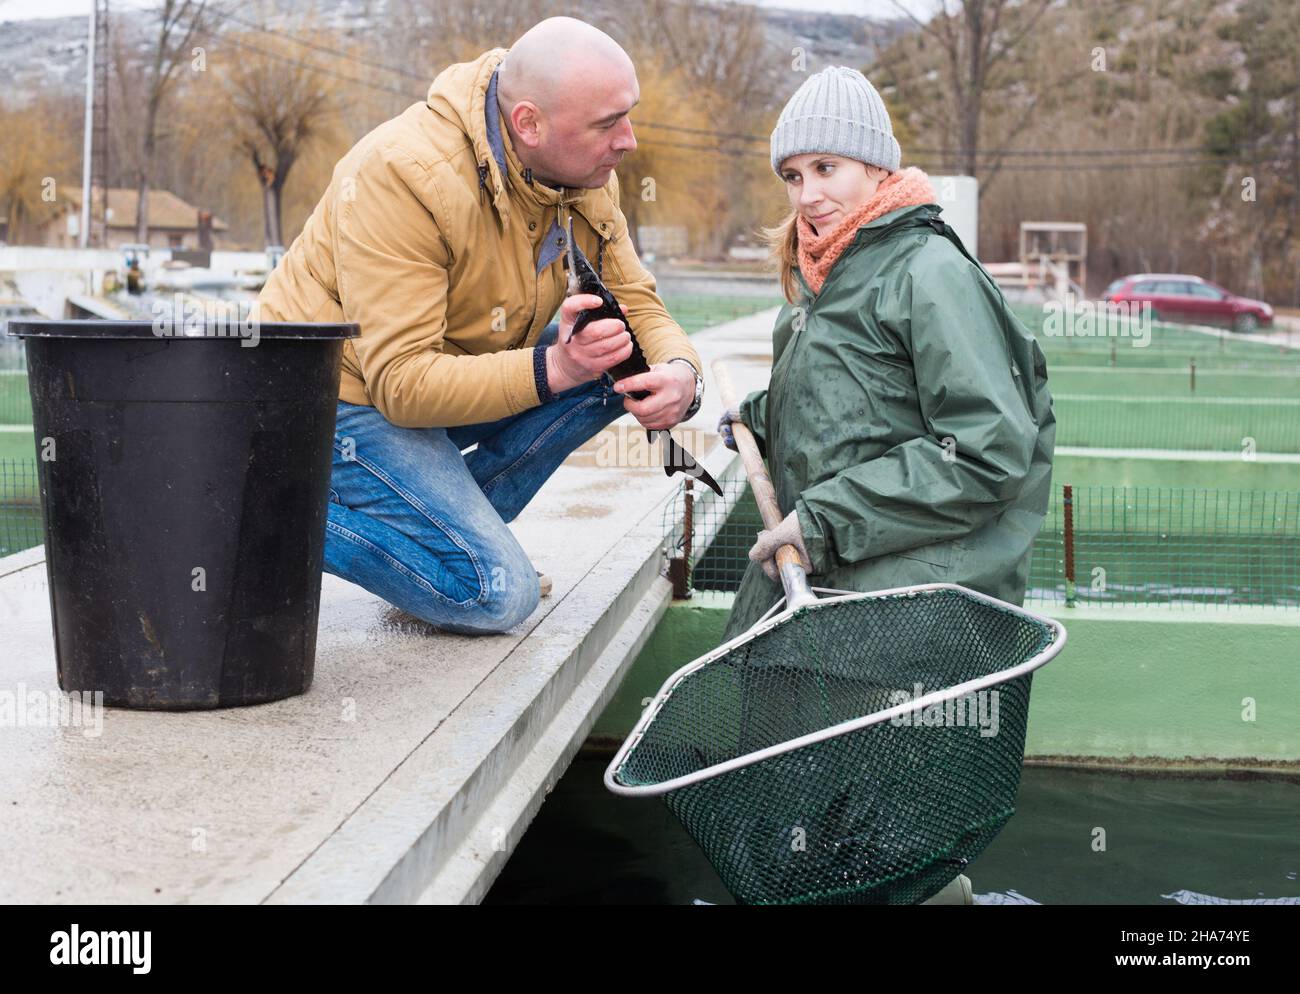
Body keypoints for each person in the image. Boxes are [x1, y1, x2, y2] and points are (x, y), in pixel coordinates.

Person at [255, 17, 705, 635]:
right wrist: (557, 367)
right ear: (528, 123)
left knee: (621, 366)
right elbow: (403, 385)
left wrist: (681, 374)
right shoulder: (403, 174)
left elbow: (638, 304)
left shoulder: (582, 173)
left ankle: (441, 546)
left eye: (627, 115)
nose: (627, 140)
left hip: (445, 377)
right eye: (608, 124)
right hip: (334, 402)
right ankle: (266, 509)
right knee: (497, 593)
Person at [719, 65, 1056, 645]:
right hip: (819, 583)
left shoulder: (931, 274)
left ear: (877, 166)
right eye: (794, 176)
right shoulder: (821, 273)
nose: (808, 194)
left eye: (827, 168)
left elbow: (986, 451)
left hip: (896, 609)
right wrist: (761, 417)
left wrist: (826, 521)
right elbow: (858, 401)